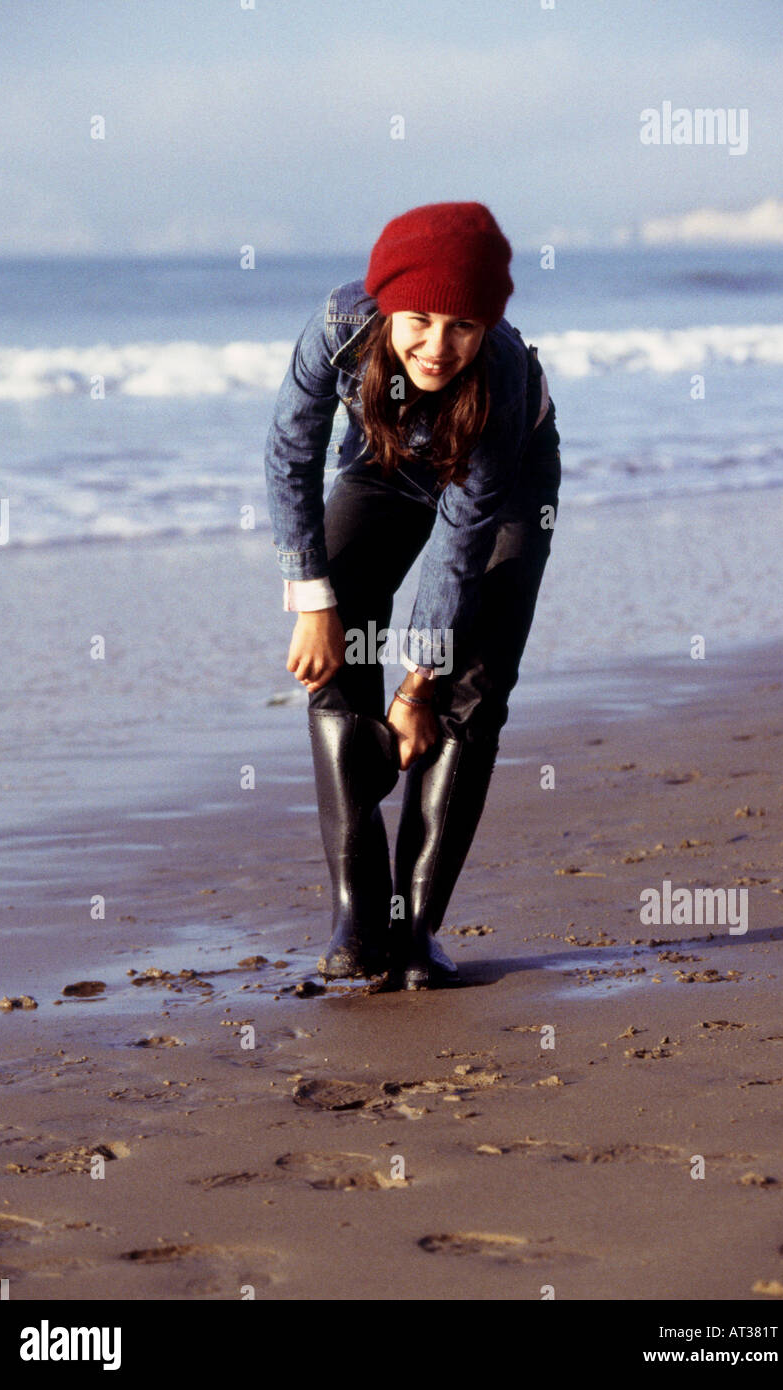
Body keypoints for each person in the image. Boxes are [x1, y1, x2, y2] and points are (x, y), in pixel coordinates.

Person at [264, 201, 560, 990]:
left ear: (488, 324)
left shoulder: (499, 375)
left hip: (507, 486)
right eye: (420, 320)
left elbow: (461, 545)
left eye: (462, 325)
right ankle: (359, 917)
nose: (438, 347)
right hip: (384, 464)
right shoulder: (338, 325)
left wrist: (416, 688)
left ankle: (417, 928)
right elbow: (290, 451)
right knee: (334, 651)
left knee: (474, 683)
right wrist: (315, 598)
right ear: (387, 306)